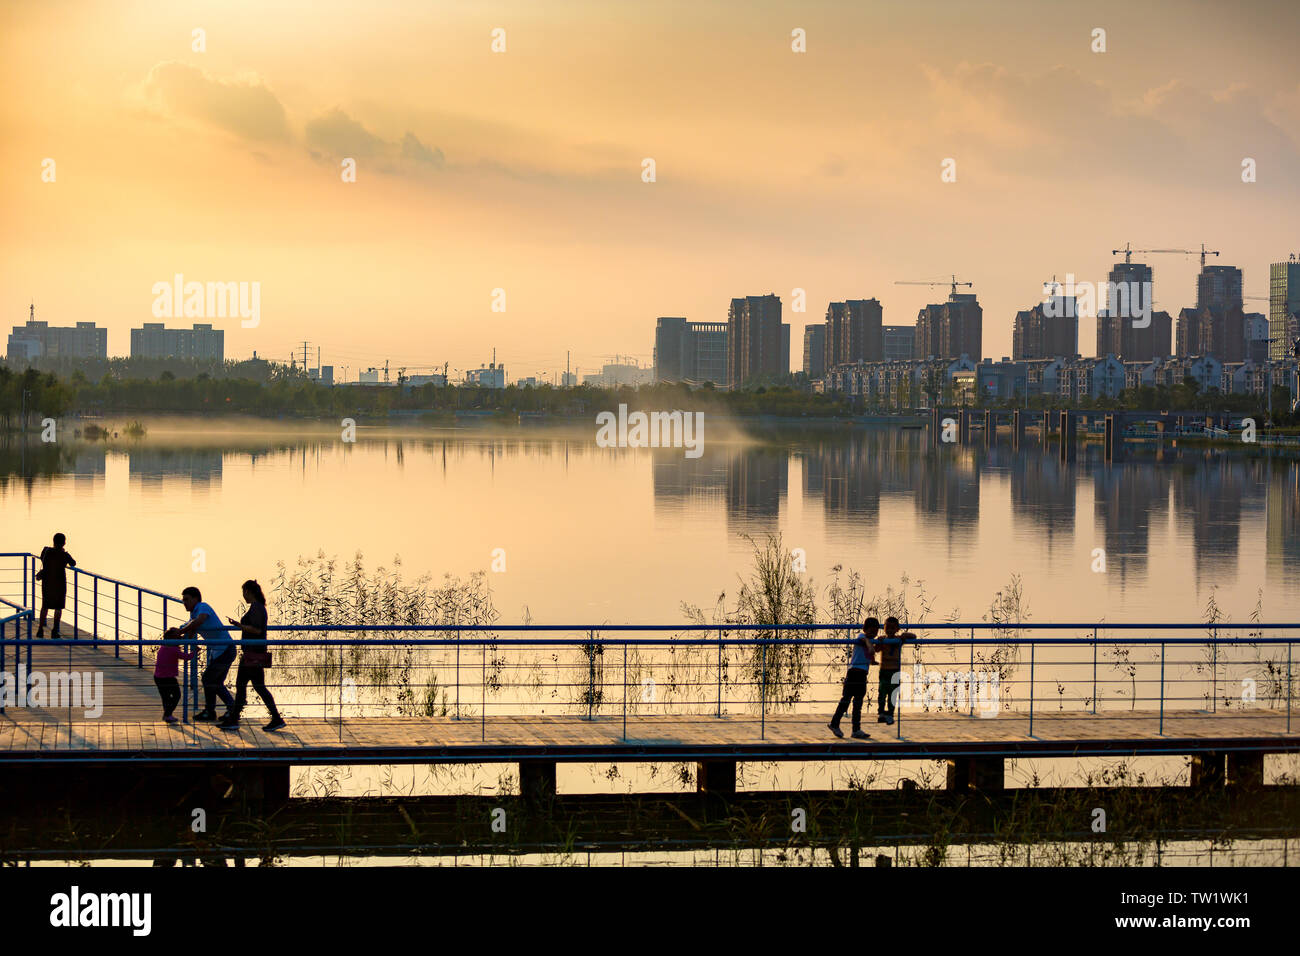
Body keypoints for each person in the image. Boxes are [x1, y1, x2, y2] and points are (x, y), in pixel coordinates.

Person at [221, 580, 285, 732]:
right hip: (253, 653)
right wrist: (239, 625)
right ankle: (236, 718)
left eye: (244, 592)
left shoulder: (256, 608)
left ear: (250, 591)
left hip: (253, 653)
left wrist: (240, 626)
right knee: (249, 686)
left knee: (249, 686)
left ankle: (236, 719)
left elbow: (256, 630)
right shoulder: (258, 607)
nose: (243, 596)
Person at [173, 585, 236, 721]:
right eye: (183, 600)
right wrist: (174, 638)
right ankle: (223, 710)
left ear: (196, 599)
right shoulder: (193, 615)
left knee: (209, 679)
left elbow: (199, 621)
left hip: (225, 649)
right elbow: (190, 631)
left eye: (187, 599)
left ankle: (217, 710)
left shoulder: (203, 607)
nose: (184, 602)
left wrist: (182, 631)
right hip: (218, 651)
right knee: (215, 682)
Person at [829, 617, 878, 740]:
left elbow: (869, 653)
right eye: (871, 631)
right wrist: (868, 642)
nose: (873, 634)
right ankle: (834, 723)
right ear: (865, 629)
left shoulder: (872, 641)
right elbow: (863, 640)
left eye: (876, 631)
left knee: (858, 703)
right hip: (853, 674)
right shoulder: (861, 637)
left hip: (862, 675)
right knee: (846, 700)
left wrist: (872, 660)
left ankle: (856, 729)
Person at [877, 616, 917, 725]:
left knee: (893, 694)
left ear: (897, 629)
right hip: (884, 670)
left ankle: (890, 714)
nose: (889, 630)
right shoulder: (883, 640)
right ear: (884, 628)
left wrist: (903, 635)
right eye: (887, 628)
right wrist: (879, 642)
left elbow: (914, 636)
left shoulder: (899, 640)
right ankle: (881, 713)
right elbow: (876, 650)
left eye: (892, 628)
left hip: (895, 671)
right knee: (882, 693)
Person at [35, 533, 76, 639]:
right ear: (63, 543)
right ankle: (55, 631)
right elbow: (73, 563)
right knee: (58, 607)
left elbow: (42, 558)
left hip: (47, 582)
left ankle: (40, 629)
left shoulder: (46, 551)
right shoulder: (64, 555)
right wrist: (64, 552)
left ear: (53, 541)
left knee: (45, 606)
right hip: (59, 584)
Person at [154, 628, 196, 723]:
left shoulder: (164, 646)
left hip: (158, 677)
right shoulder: (173, 649)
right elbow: (186, 657)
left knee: (166, 697)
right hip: (167, 678)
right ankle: (167, 714)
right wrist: (195, 652)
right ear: (173, 638)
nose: (181, 637)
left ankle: (168, 714)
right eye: (178, 635)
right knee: (176, 695)